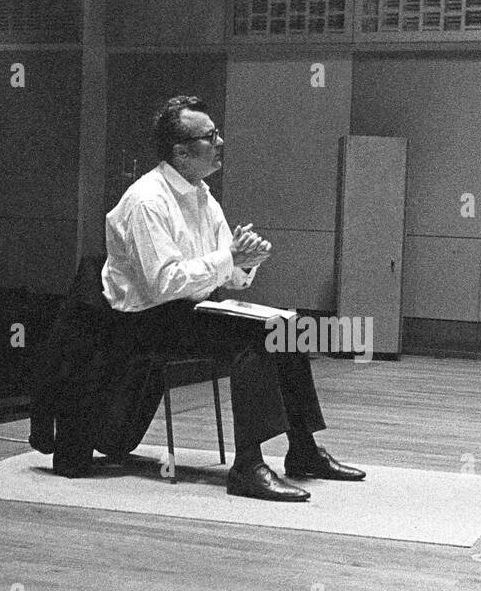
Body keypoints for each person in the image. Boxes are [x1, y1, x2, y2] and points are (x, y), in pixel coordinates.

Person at [35, 95, 364, 502]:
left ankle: (303, 450)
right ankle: (248, 466)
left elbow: (228, 272)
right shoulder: (146, 200)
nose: (221, 141)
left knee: (289, 328)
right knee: (255, 342)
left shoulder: (200, 194)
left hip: (184, 310)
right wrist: (229, 259)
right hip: (139, 324)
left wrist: (245, 261)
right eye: (211, 136)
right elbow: (163, 284)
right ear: (182, 152)